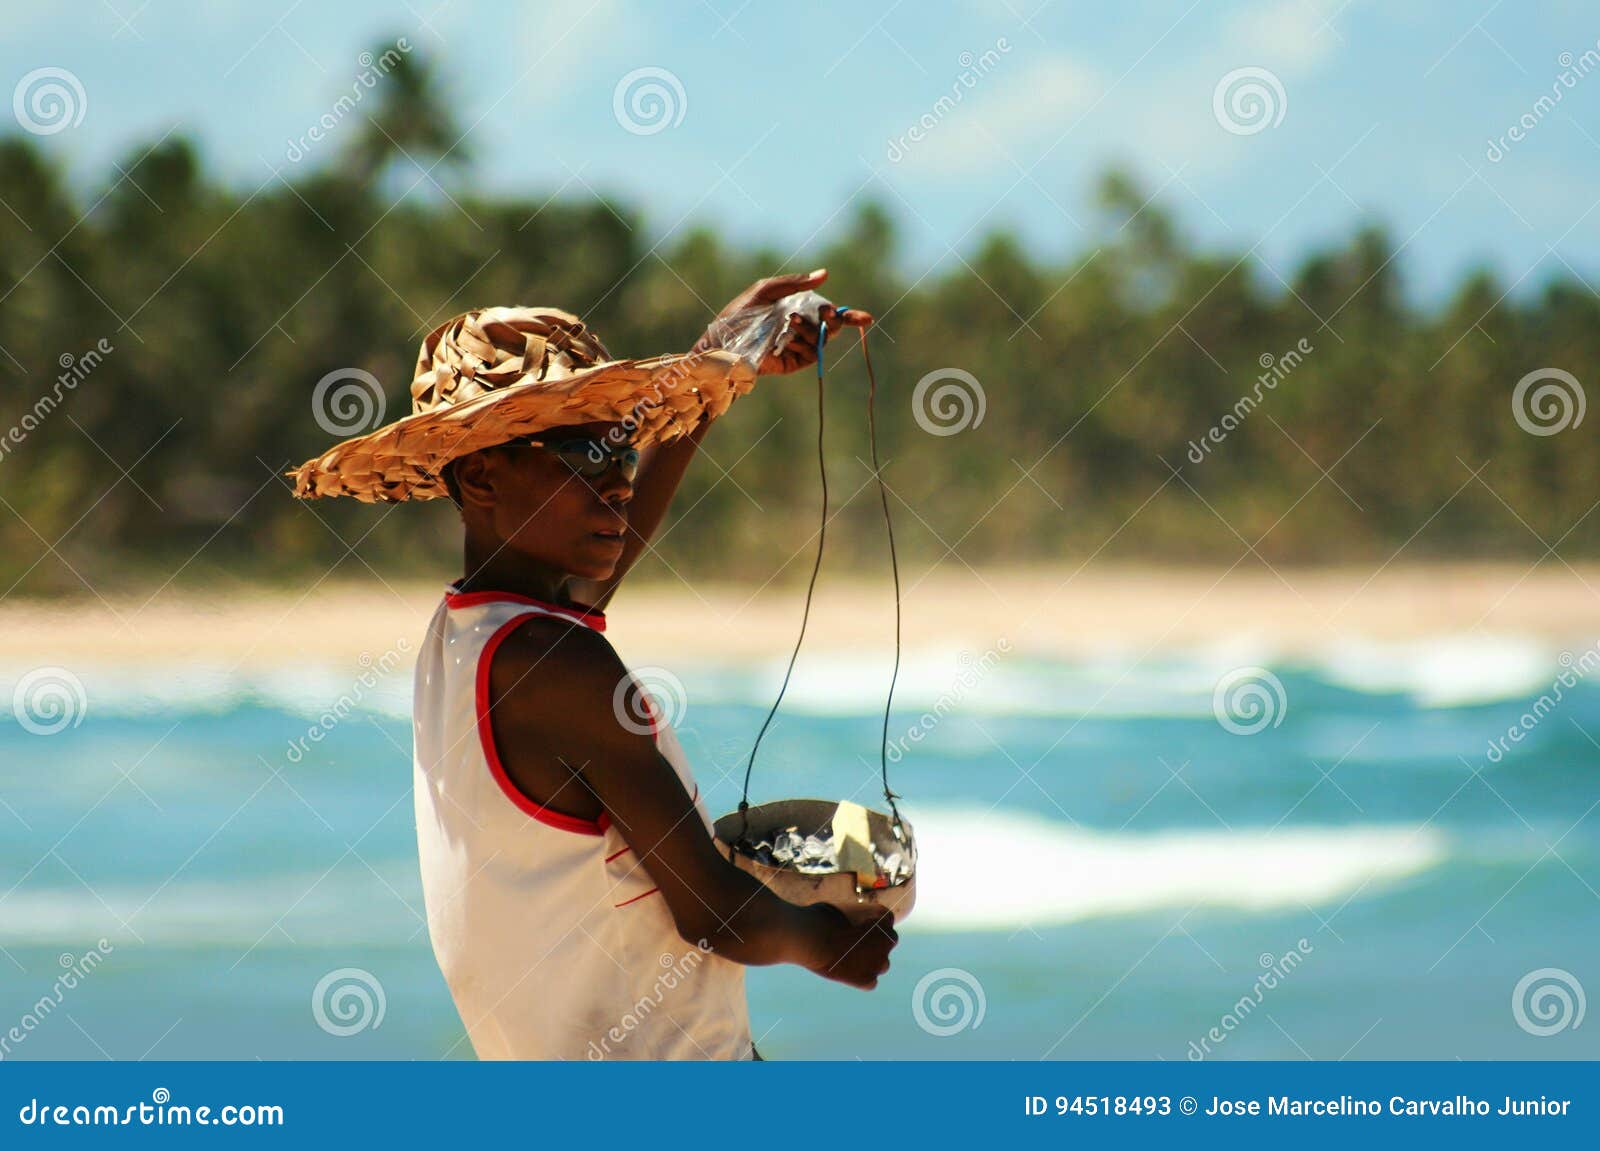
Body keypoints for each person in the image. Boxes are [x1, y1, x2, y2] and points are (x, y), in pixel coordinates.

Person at [288, 269, 897, 1060]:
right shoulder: (559, 665)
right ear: (480, 476)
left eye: (625, 450)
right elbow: (716, 914)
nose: (617, 480)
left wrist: (716, 356)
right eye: (582, 453)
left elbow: (591, 574)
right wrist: (828, 941)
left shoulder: (474, 631)